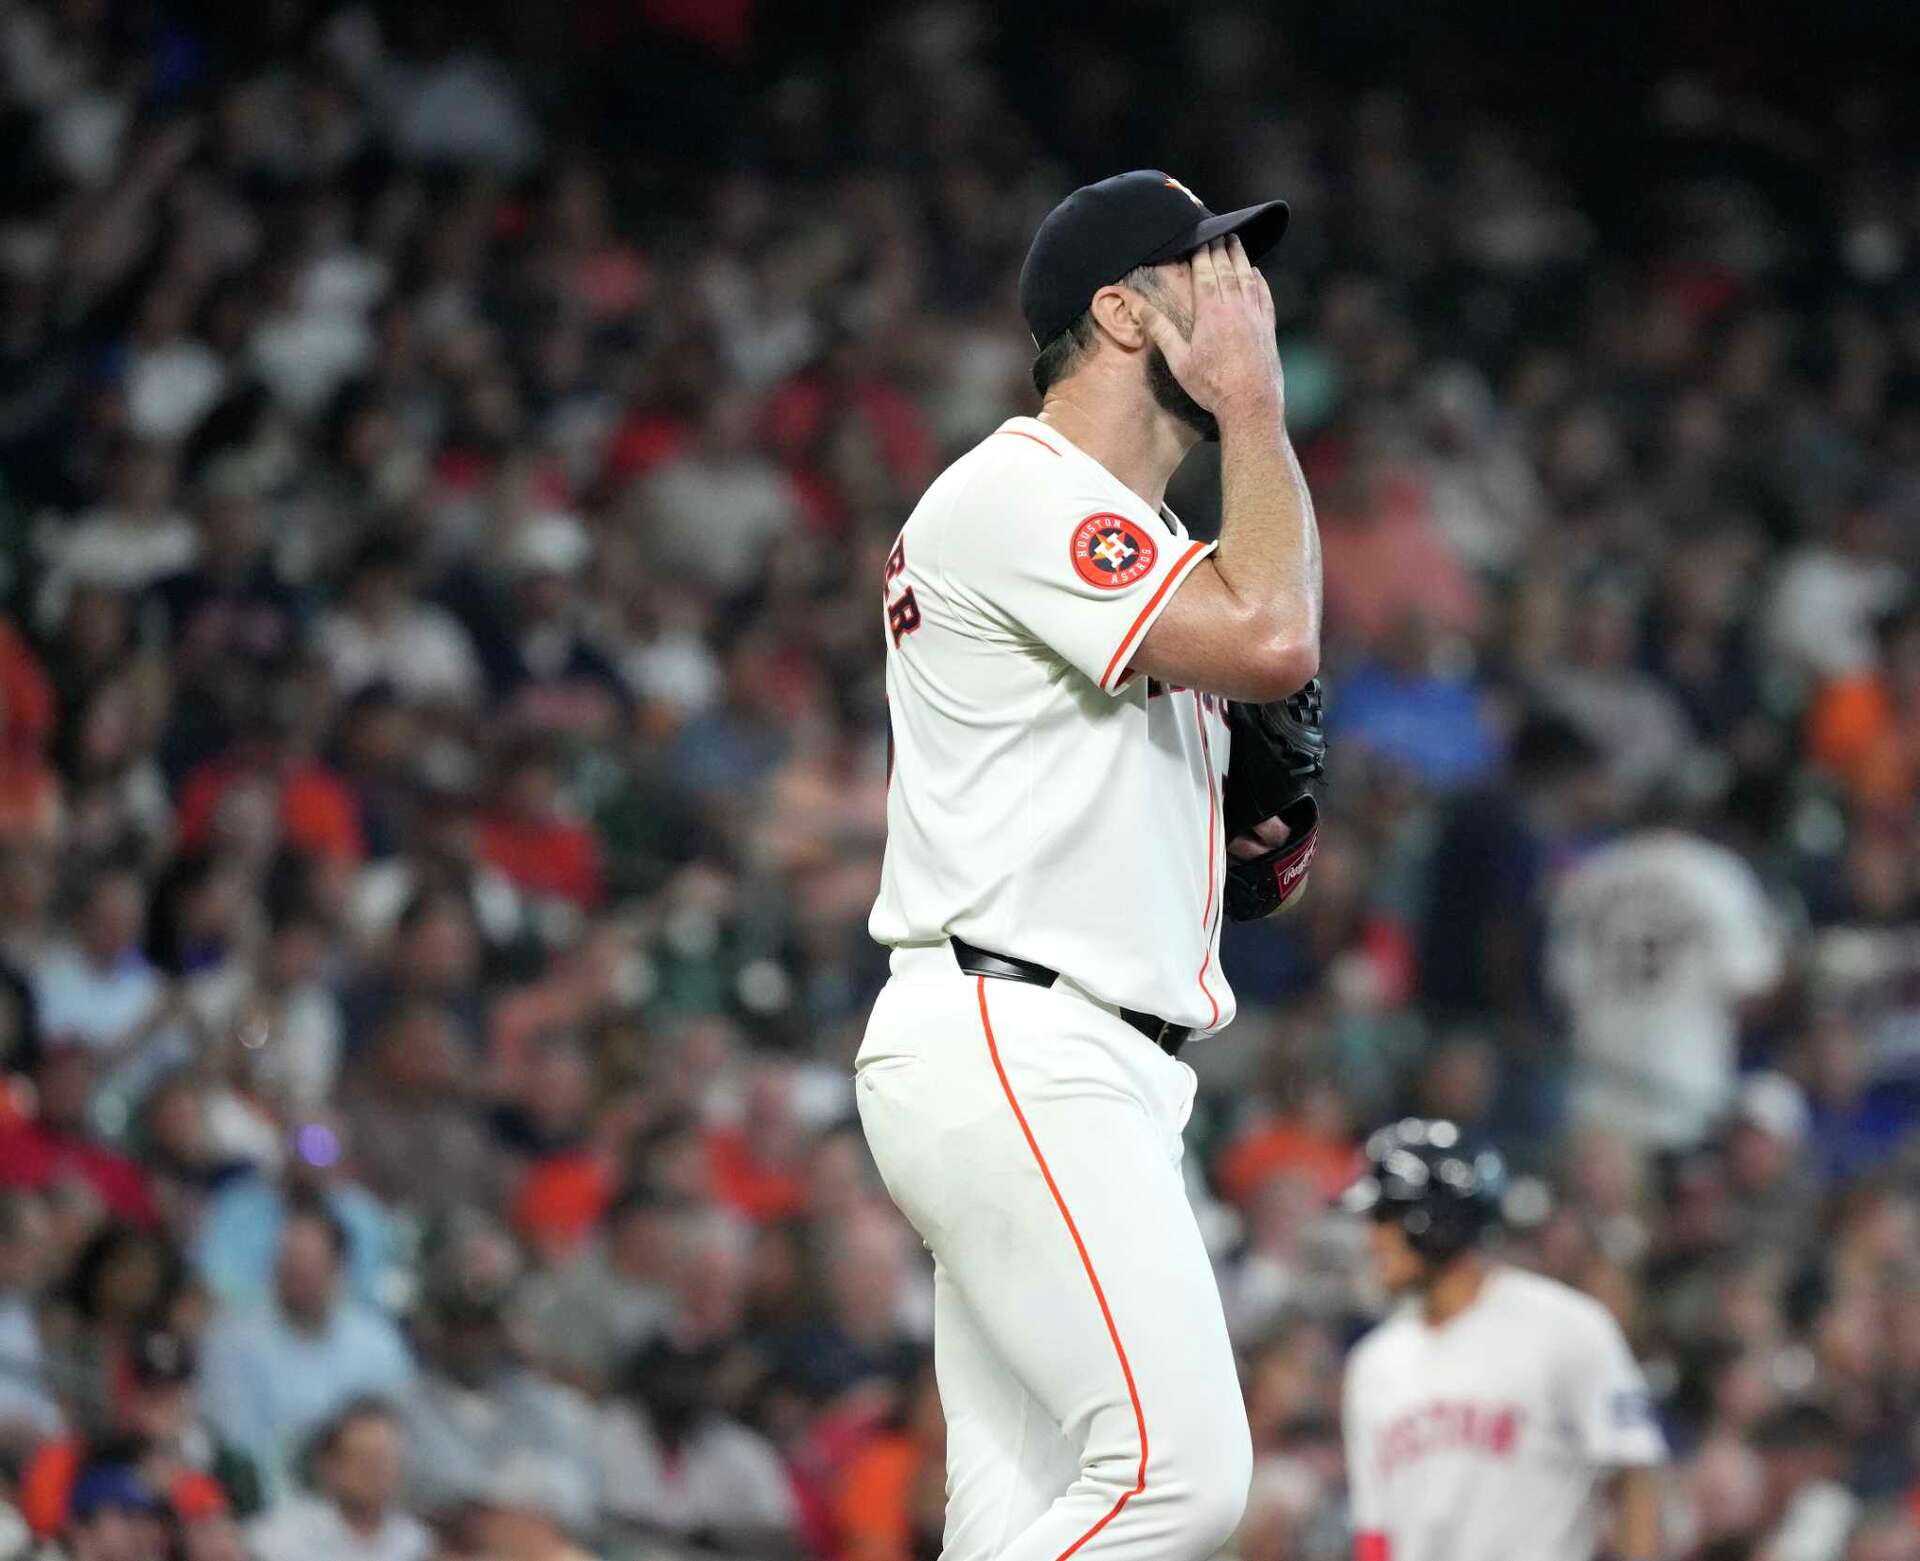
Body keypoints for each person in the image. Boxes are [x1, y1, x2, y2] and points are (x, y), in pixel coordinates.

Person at [857, 170, 1319, 1561]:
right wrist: (1257, 409)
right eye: (1206, 272)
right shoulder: (1018, 488)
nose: (1244, 301)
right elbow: (1275, 640)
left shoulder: (1150, 545)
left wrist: (1239, 835)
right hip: (1018, 1037)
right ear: (1121, 314)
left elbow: (1248, 669)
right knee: (1178, 1480)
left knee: (1020, 1522)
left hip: (1064, 1052)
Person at [1339, 1119, 1666, 1561]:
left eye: (1384, 1219)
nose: (1372, 1239)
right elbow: (1374, 1535)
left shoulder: (1565, 1327)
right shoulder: (1372, 1364)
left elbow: (1633, 1473)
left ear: (1434, 1221)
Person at [198, 1198, 413, 1493]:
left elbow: (393, 1436)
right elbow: (236, 1445)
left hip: (357, 1501)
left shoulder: (377, 1342)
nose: (295, 1274)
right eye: (288, 1261)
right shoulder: (232, 1338)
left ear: (338, 1267)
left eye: (308, 1264)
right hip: (266, 1503)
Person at [247, 1398, 433, 1561]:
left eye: (389, 1461)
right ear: (330, 1466)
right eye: (368, 1462)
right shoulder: (277, 1540)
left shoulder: (415, 1542)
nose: (379, 1474)